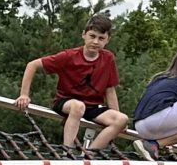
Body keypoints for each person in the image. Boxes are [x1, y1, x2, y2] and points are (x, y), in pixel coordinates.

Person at [16, 13, 130, 152]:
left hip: (92, 107)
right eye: (92, 36)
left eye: (101, 38)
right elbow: (32, 65)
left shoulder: (108, 58)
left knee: (122, 119)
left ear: (107, 40)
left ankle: (89, 155)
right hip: (67, 102)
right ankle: (67, 151)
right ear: (84, 35)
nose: (95, 42)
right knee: (78, 106)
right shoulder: (69, 56)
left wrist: (116, 116)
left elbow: (110, 90)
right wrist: (24, 95)